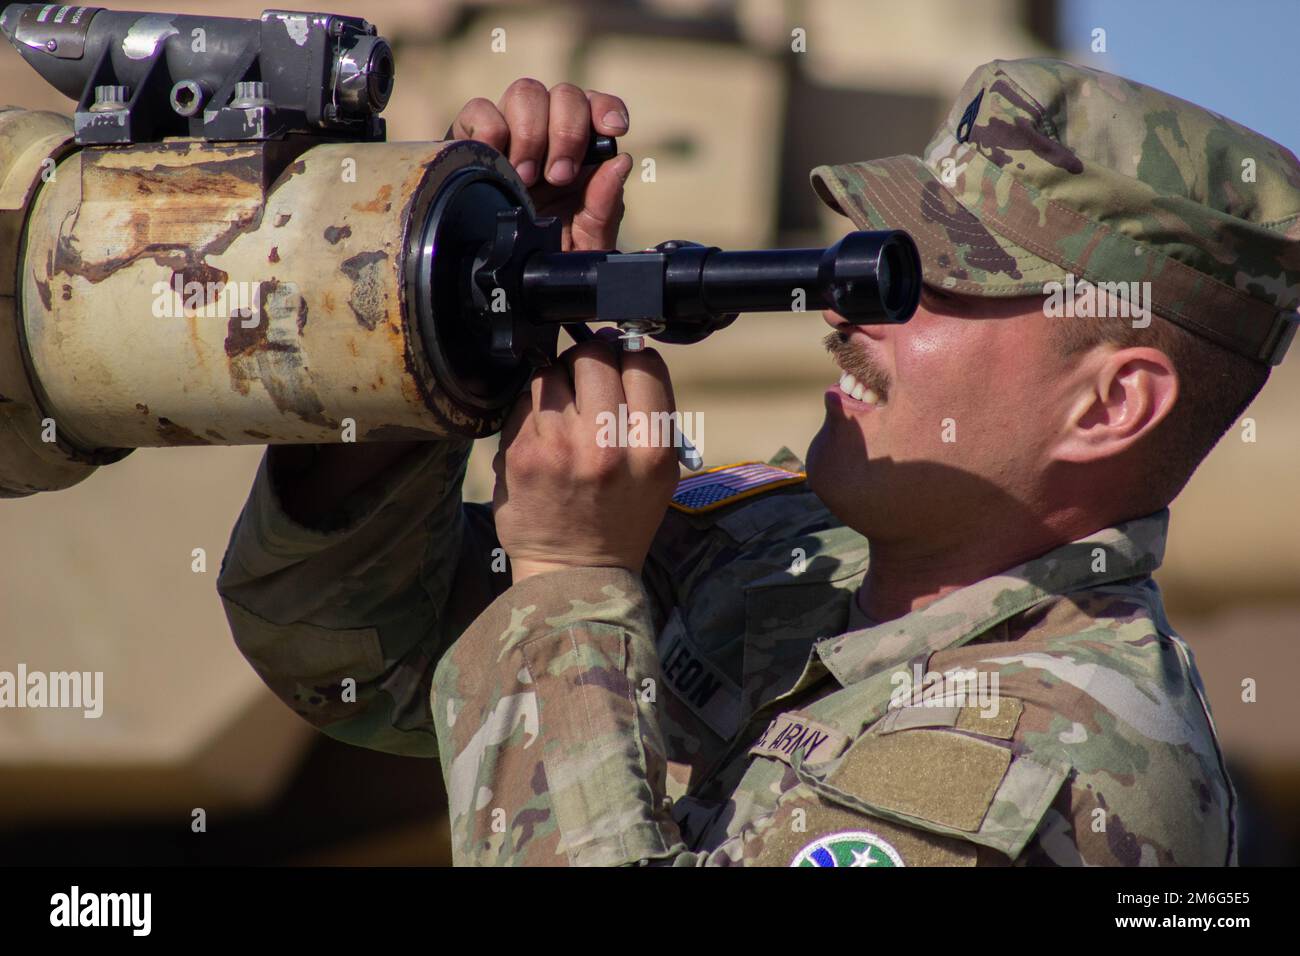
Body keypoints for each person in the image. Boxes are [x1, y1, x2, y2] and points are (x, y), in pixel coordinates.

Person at [217, 59, 1300, 866]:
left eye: (927, 277)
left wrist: (566, 578)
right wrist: (457, 311)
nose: (845, 300)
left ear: (1110, 404)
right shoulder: (784, 553)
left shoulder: (1058, 759)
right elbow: (346, 646)